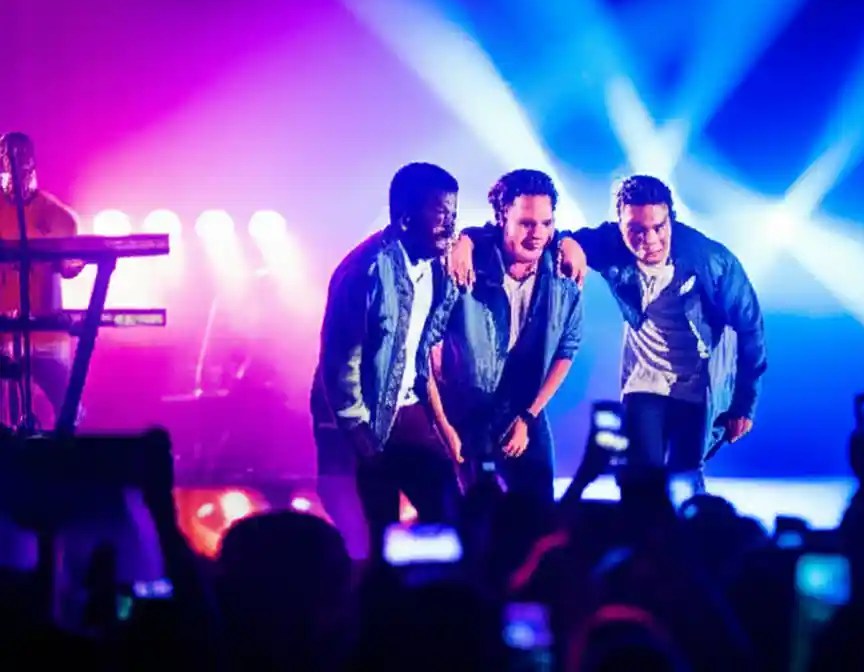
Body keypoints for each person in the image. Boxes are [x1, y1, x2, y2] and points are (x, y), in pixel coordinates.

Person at [451, 175, 765, 492]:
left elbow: (750, 327)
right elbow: (545, 238)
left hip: (701, 384)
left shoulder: (712, 260)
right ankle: (644, 539)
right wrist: (468, 239)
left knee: (684, 475)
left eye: (659, 227)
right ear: (619, 224)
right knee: (642, 477)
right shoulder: (609, 244)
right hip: (645, 381)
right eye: (636, 230)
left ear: (671, 219)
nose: (650, 239)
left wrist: (744, 405)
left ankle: (686, 537)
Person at [310, 162, 463, 554]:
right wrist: (356, 429)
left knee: (448, 511)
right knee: (377, 531)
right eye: (441, 214)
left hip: (406, 410)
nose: (451, 225)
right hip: (358, 417)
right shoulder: (365, 270)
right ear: (407, 218)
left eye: (454, 213)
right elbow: (340, 358)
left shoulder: (438, 265)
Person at [429, 170, 582, 504]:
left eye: (546, 223)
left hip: (526, 408)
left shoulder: (563, 274)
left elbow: (567, 349)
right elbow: (429, 343)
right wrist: (443, 414)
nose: (538, 234)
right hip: (468, 410)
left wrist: (529, 415)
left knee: (540, 509)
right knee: (478, 515)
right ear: (501, 219)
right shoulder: (464, 265)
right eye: (527, 224)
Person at [0, 132, 85, 428]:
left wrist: (74, 262)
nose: (14, 163)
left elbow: (71, 266)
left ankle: (66, 462)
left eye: (22, 156)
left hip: (45, 333)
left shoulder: (58, 216)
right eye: (8, 156)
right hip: (1, 334)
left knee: (66, 405)